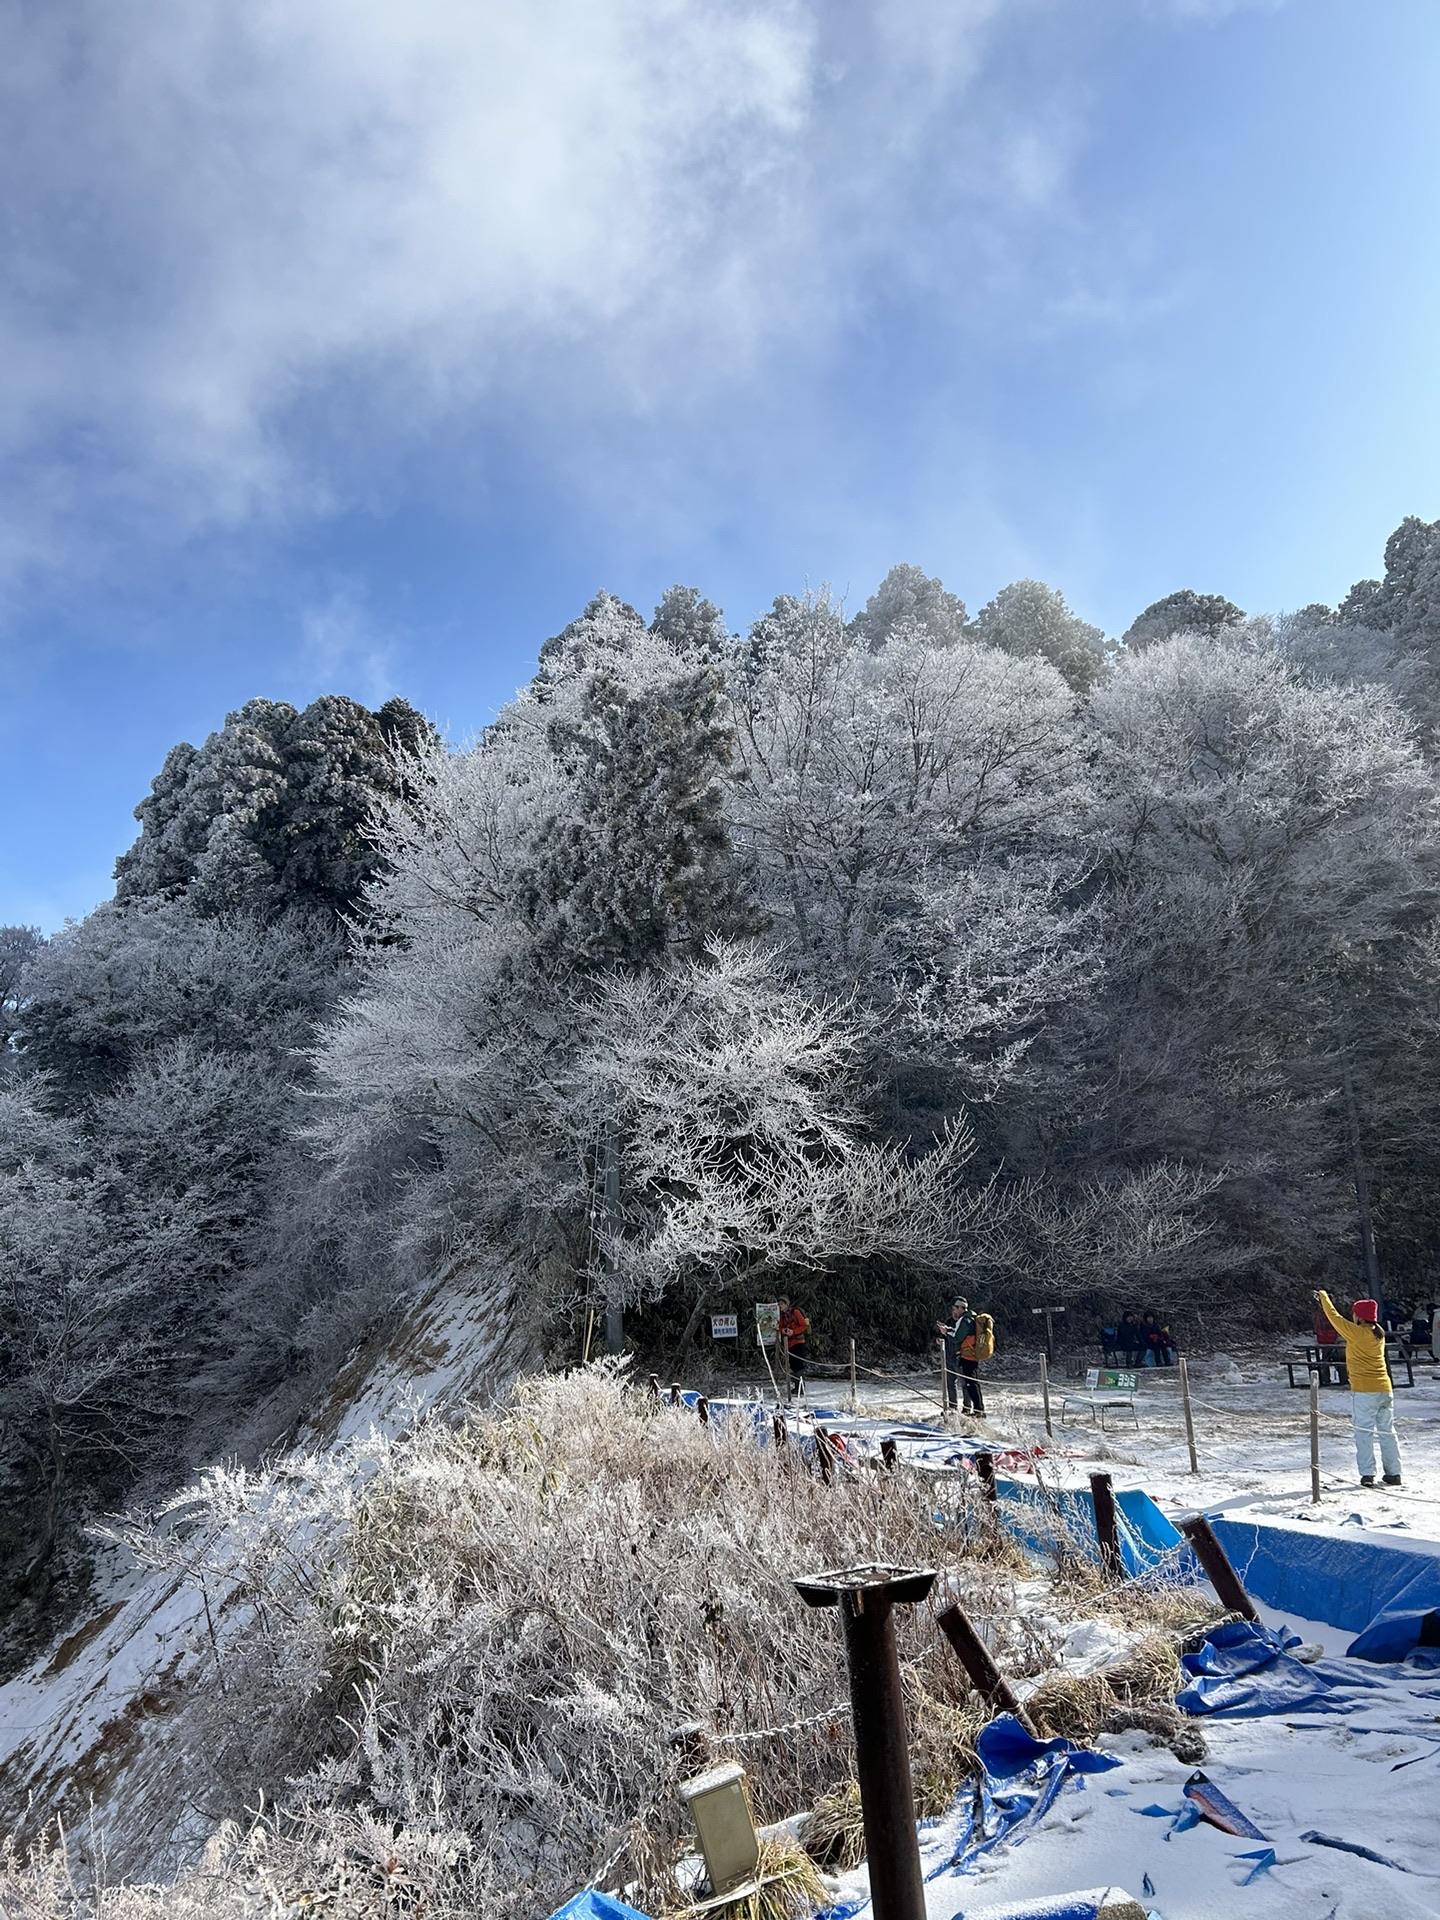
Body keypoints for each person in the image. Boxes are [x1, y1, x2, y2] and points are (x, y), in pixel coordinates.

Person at [1315, 1289, 1402, 1487]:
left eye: (1354, 1313)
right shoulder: (1378, 1333)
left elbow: (1334, 1317)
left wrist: (1323, 1297)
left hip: (1364, 1391)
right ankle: (1394, 1473)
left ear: (1359, 1317)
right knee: (1387, 1432)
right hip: (1385, 1388)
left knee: (1364, 1432)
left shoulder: (1356, 1333)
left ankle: (1367, 1474)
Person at [936, 1296, 991, 1417]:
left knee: (969, 1384)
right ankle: (976, 1410)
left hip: (967, 1356)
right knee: (970, 1383)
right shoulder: (970, 1318)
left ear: (961, 1307)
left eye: (955, 1308)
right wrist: (947, 1331)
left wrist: (946, 1332)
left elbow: (957, 1337)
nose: (953, 1310)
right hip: (968, 1355)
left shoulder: (965, 1320)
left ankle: (975, 1411)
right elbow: (958, 1333)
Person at [777, 1297, 810, 1400]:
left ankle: (801, 1387)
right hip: (789, 1343)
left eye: (782, 1304)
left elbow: (804, 1325)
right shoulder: (782, 1316)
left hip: (798, 1342)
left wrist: (794, 1331)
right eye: (779, 1304)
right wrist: (784, 1331)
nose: (780, 1306)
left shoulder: (795, 1312)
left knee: (798, 1364)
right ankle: (796, 1386)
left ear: (786, 1304)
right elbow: (781, 1327)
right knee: (793, 1365)